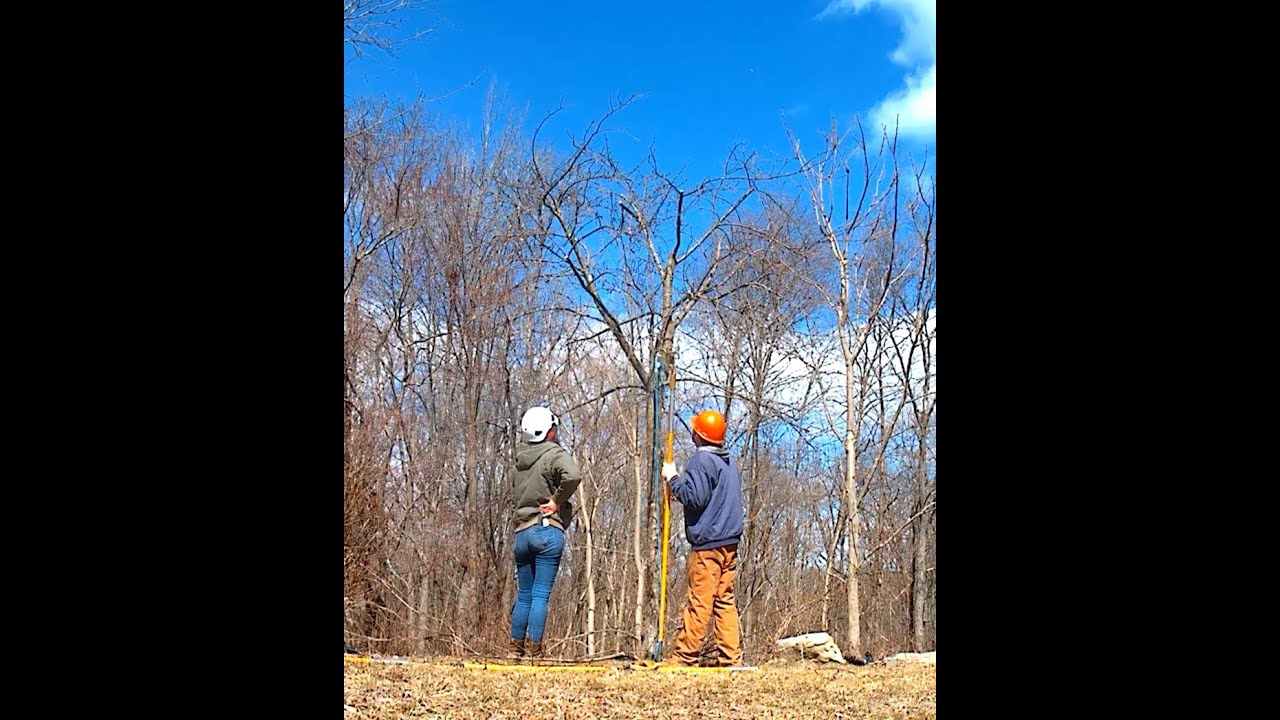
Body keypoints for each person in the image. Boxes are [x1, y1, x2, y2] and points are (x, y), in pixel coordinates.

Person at [661, 408, 745, 666]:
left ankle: (684, 655)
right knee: (723, 600)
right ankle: (731, 658)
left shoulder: (702, 460)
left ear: (698, 434)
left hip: (709, 544)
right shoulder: (727, 461)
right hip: (729, 542)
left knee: (700, 600)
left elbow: (694, 498)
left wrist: (673, 478)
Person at [509, 406, 581, 658]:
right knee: (540, 594)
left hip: (521, 533)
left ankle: (515, 650)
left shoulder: (520, 458)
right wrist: (556, 501)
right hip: (546, 529)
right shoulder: (553, 453)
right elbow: (573, 476)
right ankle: (535, 651)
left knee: (524, 595)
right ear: (549, 431)